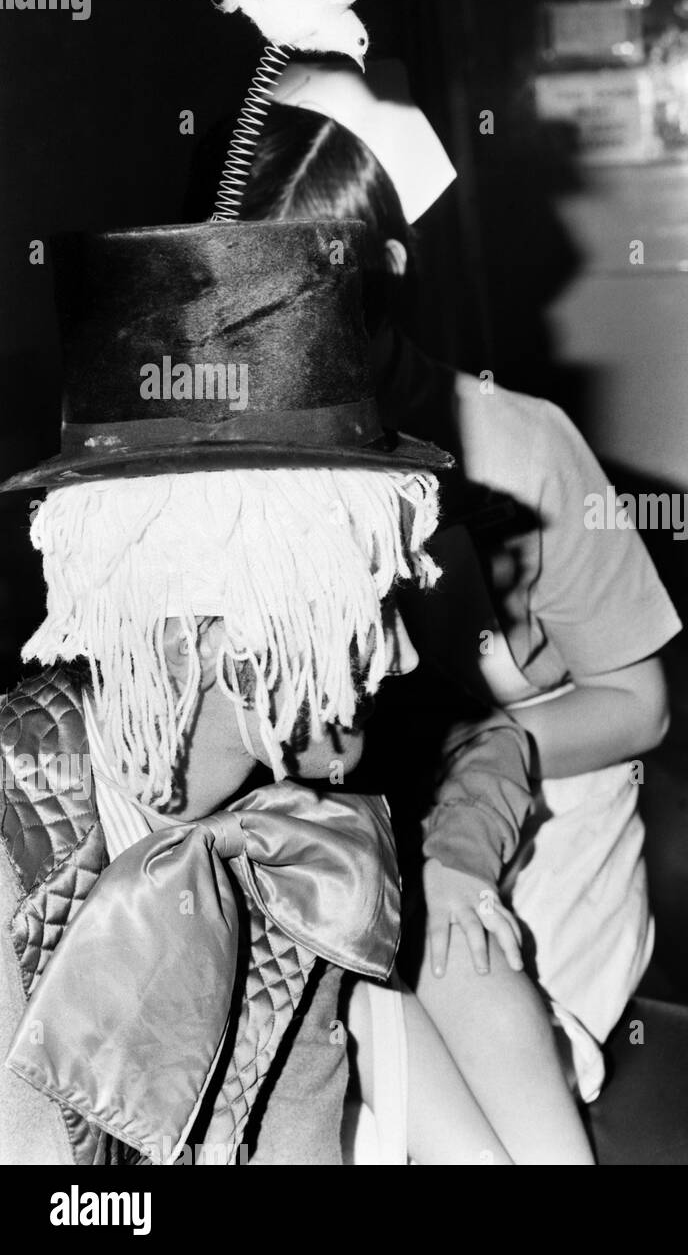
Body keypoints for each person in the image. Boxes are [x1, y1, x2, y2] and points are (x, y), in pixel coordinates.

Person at [223, 61, 682, 1110]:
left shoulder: (523, 444)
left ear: (387, 272)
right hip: (348, 813)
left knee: (502, 1071)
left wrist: (472, 795)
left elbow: (638, 702)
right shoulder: (226, 459)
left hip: (540, 807)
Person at [0, 217, 453, 1164]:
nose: (403, 657)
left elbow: (295, 1132)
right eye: (365, 610)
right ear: (228, 642)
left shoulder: (302, 845)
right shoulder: (12, 841)